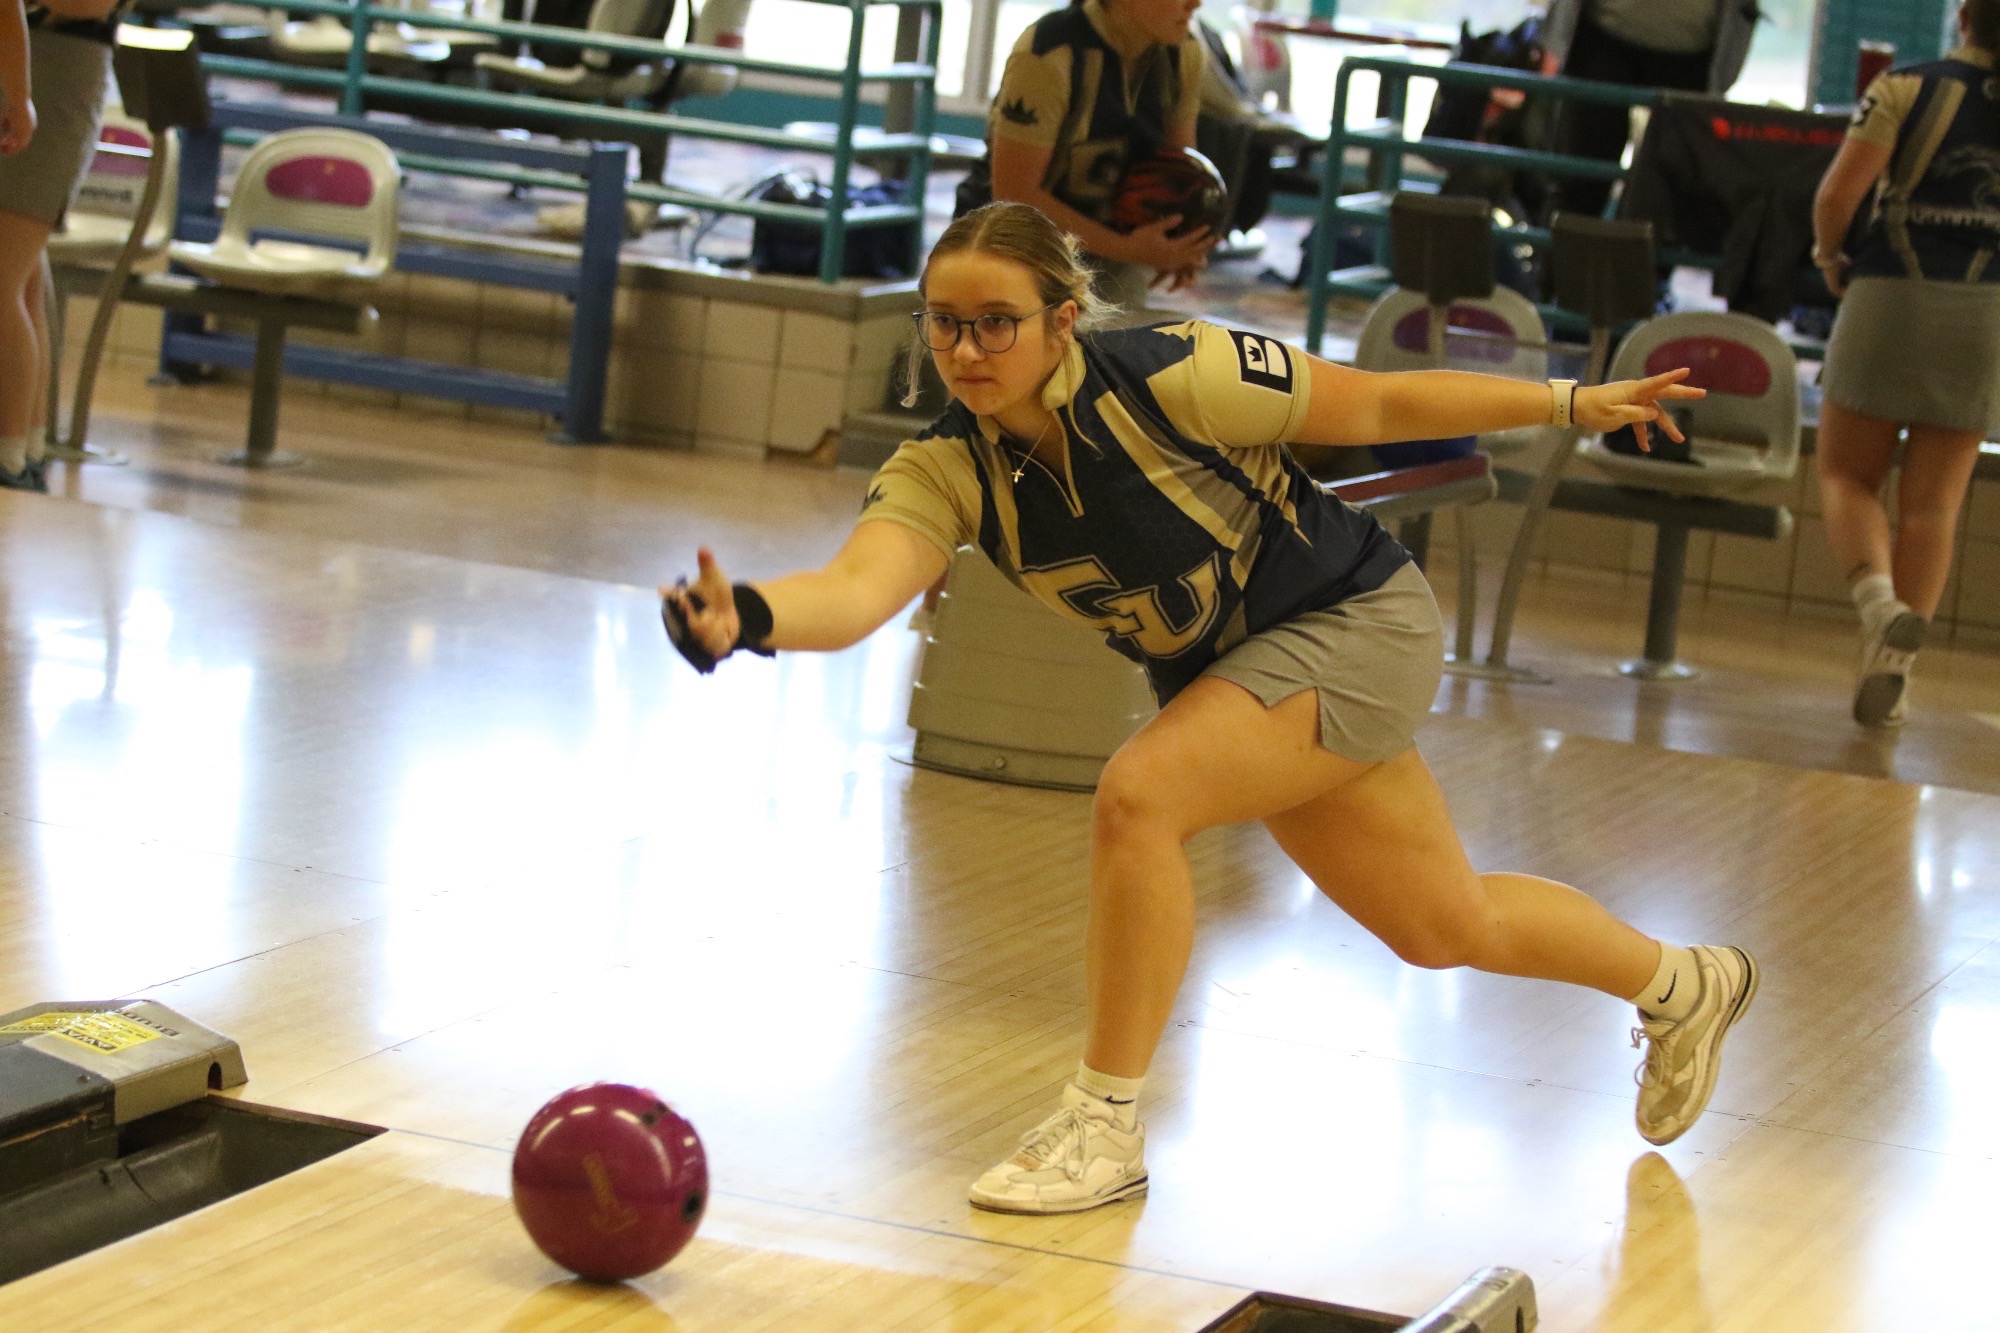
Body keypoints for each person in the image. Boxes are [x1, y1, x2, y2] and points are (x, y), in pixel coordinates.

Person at [661, 201, 1759, 1215]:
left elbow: (1371, 401)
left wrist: (1567, 400)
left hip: (1353, 620)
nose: (966, 351)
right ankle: (1681, 982)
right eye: (944, 325)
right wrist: (745, 613)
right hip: (1236, 678)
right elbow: (856, 591)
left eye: (996, 323)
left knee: (1140, 794)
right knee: (1442, 923)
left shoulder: (1173, 368)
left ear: (1062, 317)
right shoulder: (946, 467)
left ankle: (1103, 1123)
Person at [1811, 0, 2000, 729]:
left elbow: (1838, 197)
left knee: (1846, 474)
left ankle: (1878, 604)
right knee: (1934, 505)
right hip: (1985, 312)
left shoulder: (1905, 87)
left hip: (1890, 295)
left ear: (1962, 17)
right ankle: (1895, 668)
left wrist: (1831, 256)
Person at [959, 0, 1215, 307]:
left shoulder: (1184, 53)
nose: (1196, 3)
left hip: (1105, 247)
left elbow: (1181, 175)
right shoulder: (1048, 51)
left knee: (1116, 344)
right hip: (1004, 241)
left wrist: (1181, 242)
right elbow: (1014, 195)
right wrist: (1128, 249)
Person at [0, 0, 124, 492]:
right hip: (26, 61)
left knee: (3, 278)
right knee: (25, 276)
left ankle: (9, 455)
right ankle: (24, 445)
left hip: (58, 68)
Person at [1542, 0, 1759, 219]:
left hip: (1692, 57)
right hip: (1601, 41)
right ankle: (1558, 248)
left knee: (1677, 194)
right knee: (1578, 185)